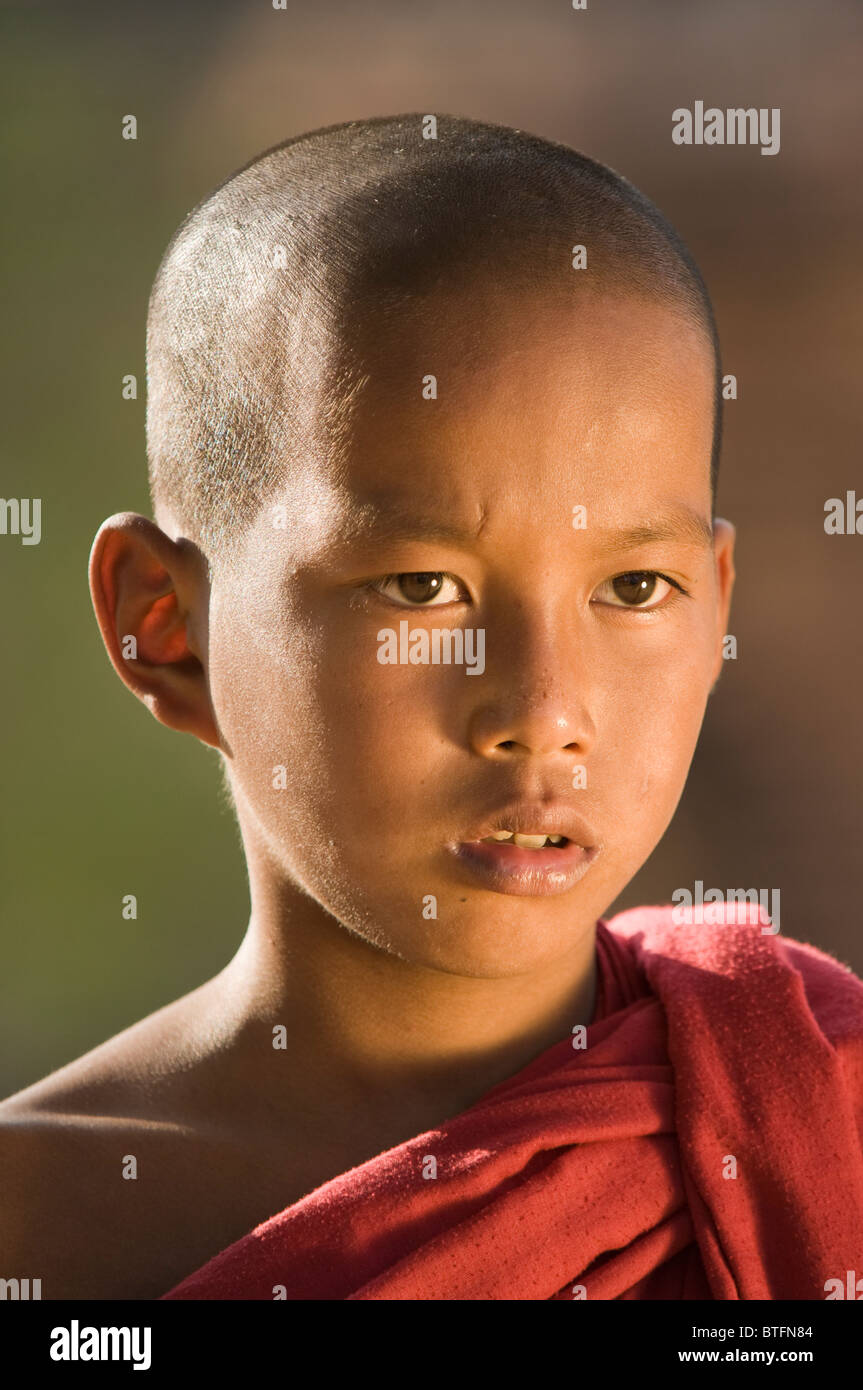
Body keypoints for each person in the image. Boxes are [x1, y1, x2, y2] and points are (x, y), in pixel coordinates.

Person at [2, 114, 862, 1300]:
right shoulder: (40, 1226)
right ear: (166, 623)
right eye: (420, 586)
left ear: (713, 608)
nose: (543, 712)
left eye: (632, 586)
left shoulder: (812, 1107)